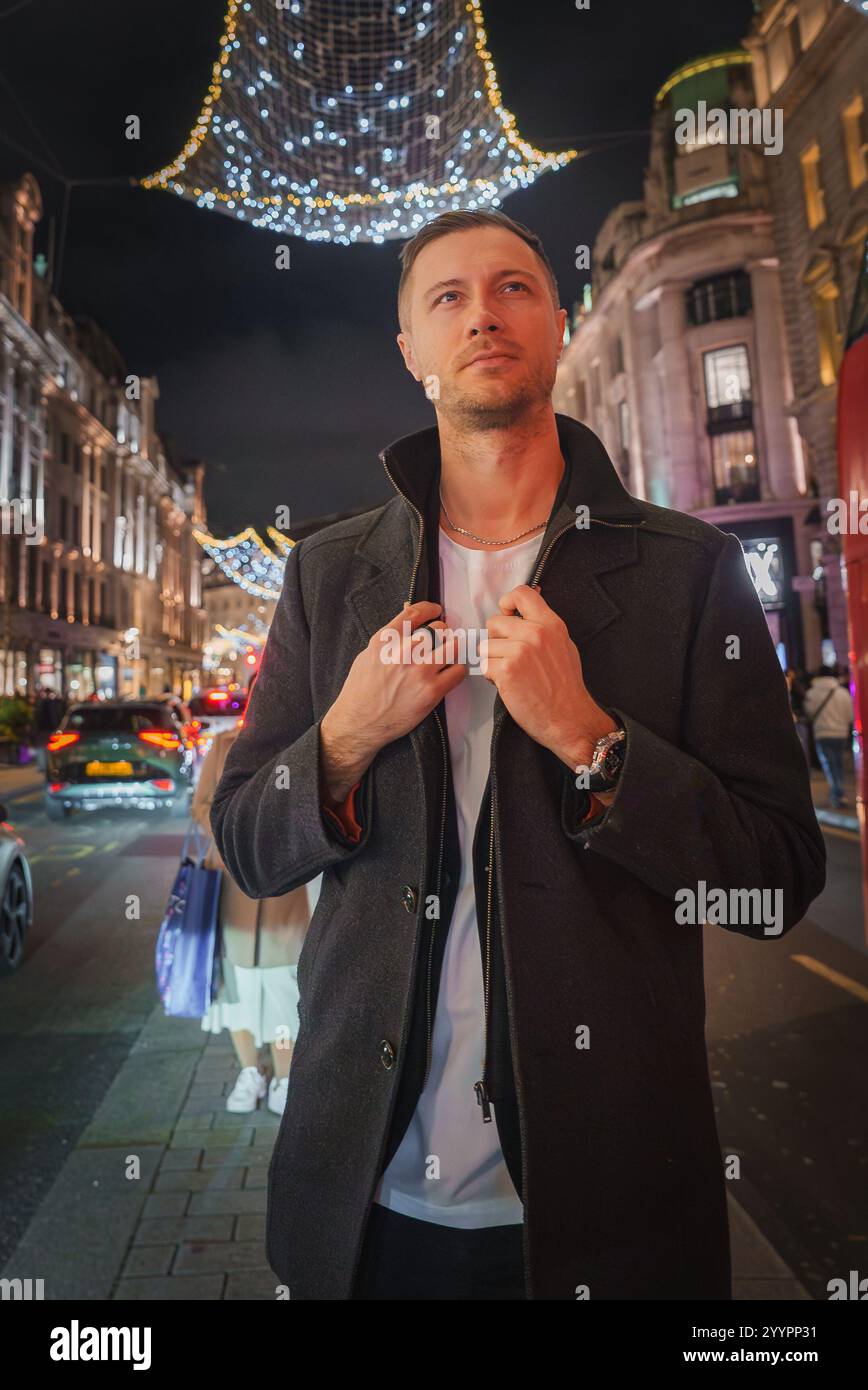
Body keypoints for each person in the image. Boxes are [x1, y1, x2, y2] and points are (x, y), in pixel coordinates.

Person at [210, 208, 826, 1301]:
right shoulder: (328, 573)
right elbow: (250, 846)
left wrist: (595, 740)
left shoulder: (689, 571)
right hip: (366, 1203)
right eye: (445, 296)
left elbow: (772, 878)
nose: (481, 314)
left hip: (610, 1205)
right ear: (409, 350)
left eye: (512, 289)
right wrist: (347, 733)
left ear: (553, 326)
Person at [191, 724, 311, 1115]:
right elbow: (201, 804)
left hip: (286, 889)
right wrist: (237, 833)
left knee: (282, 989)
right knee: (235, 991)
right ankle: (249, 1071)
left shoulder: (305, 738)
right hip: (230, 886)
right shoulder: (224, 743)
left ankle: (284, 1075)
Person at [802, 663, 854, 810]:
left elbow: (810, 712)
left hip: (823, 733)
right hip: (841, 733)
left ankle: (837, 793)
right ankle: (838, 792)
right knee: (838, 763)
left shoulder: (812, 693)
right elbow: (850, 715)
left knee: (829, 765)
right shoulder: (843, 693)